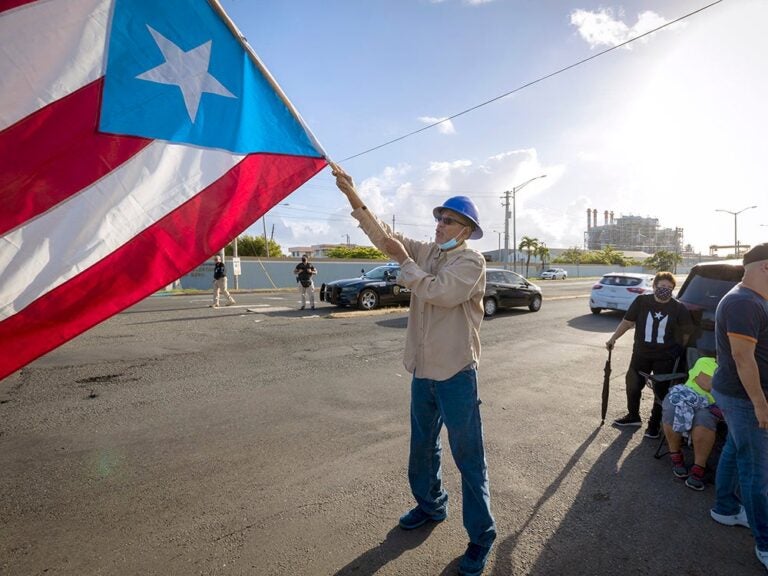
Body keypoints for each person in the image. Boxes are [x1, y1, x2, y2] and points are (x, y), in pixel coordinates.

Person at [333, 164, 496, 576]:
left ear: (466, 229)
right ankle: (430, 505)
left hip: (457, 372)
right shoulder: (428, 252)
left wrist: (406, 262)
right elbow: (384, 239)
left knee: (469, 457)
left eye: (448, 220)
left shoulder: (471, 262)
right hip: (423, 371)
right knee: (422, 448)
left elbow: (438, 293)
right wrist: (352, 194)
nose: (439, 224)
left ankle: (481, 538)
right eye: (438, 218)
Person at [709, 243, 768, 572]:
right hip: (745, 398)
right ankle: (765, 544)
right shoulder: (744, 302)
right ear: (765, 268)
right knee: (756, 471)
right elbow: (743, 359)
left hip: (739, 395)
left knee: (735, 447)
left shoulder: (751, 298)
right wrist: (760, 405)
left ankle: (725, 508)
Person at [606, 271, 692, 438]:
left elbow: (687, 332)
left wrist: (678, 349)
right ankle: (633, 416)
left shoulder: (678, 308)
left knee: (660, 391)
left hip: (665, 357)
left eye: (669, 287)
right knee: (632, 385)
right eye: (662, 286)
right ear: (654, 286)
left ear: (673, 289)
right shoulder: (642, 301)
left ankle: (654, 425)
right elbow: (628, 321)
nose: (665, 289)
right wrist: (613, 338)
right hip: (641, 353)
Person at [661, 356, 720, 490]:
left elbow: (711, 386)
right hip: (686, 396)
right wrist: (723, 386)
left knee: (704, 418)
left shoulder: (734, 370)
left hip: (709, 405)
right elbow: (704, 383)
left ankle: (699, 467)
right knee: (672, 408)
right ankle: (675, 454)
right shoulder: (705, 361)